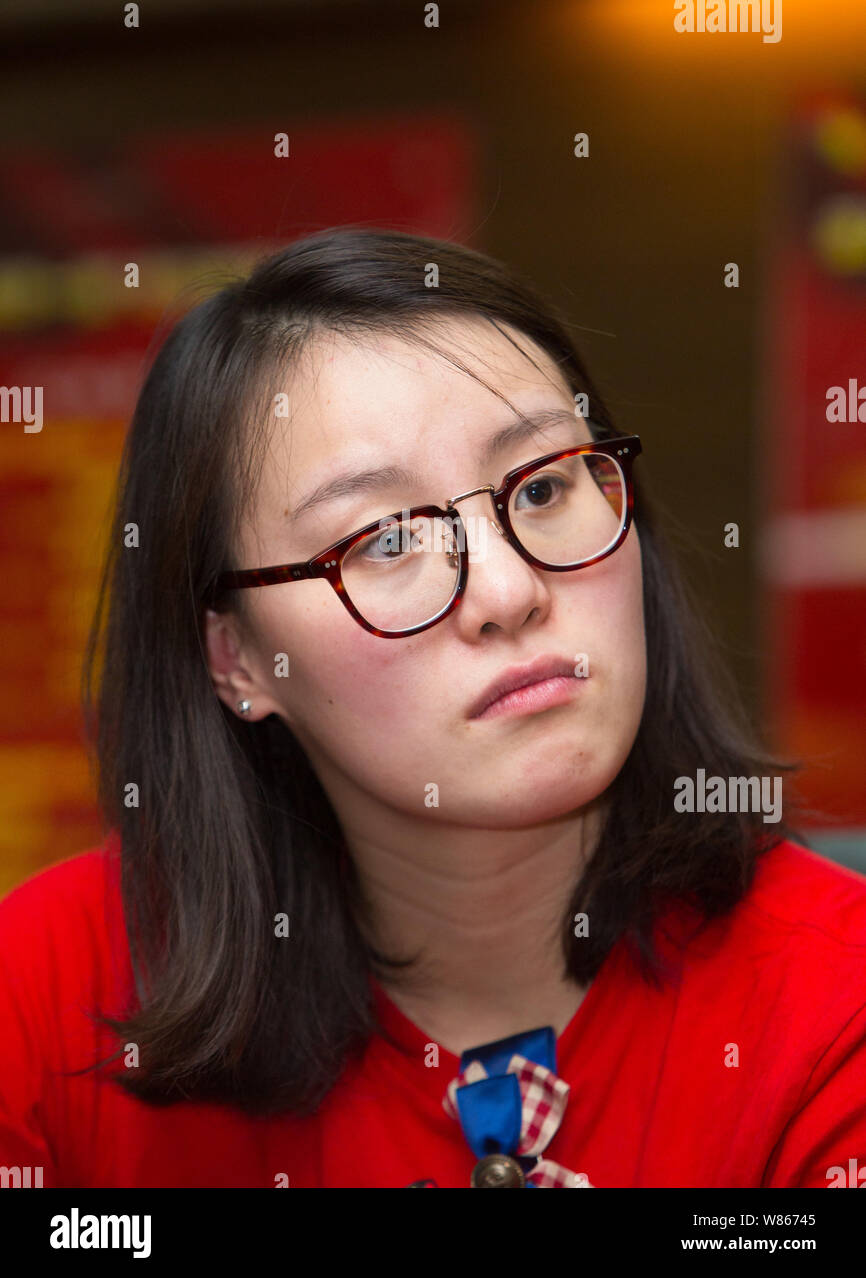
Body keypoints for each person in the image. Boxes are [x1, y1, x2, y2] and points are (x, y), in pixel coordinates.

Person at [1, 225, 865, 1189]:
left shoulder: (835, 1001)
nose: (507, 592)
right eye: (384, 540)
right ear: (236, 657)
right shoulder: (50, 995)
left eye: (541, 487)